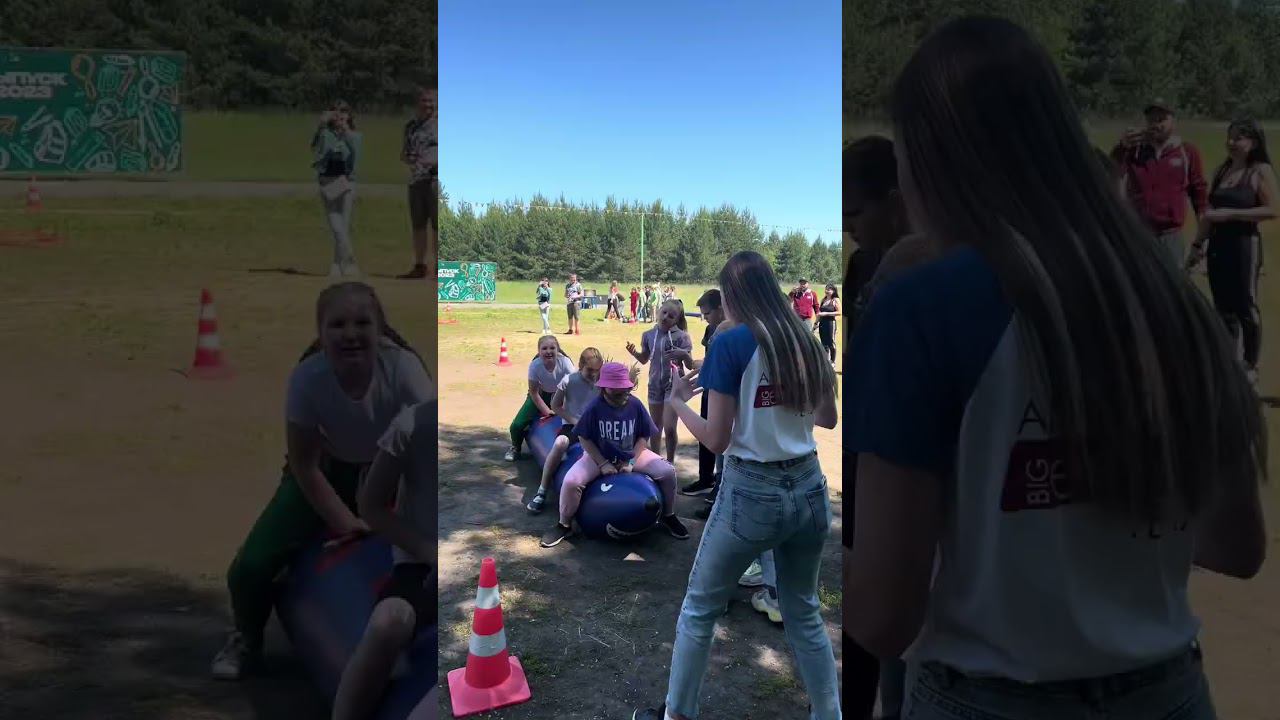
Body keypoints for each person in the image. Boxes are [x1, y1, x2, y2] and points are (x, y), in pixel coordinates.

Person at [846, 16, 1266, 720]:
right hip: (1170, 693)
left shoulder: (919, 307)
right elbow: (1236, 544)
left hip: (988, 697)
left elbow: (883, 616)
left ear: (930, 159)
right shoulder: (1169, 299)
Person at [632, 251, 840, 720]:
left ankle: (678, 713)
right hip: (809, 485)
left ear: (731, 296)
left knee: (700, 608)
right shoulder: (804, 338)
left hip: (752, 490)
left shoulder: (731, 343)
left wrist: (677, 402)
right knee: (805, 612)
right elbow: (827, 418)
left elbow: (717, 440)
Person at [211, 282, 434, 680]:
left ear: (380, 328)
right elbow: (304, 464)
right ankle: (246, 636)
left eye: (362, 323)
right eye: (338, 325)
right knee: (250, 567)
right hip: (328, 471)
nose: (350, 334)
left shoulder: (404, 370)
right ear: (321, 331)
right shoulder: (308, 378)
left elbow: (427, 451)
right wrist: (346, 522)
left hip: (392, 471)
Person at [841, 133, 935, 720]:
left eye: (856, 212)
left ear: (896, 201)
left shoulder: (937, 267)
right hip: (863, 450)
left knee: (898, 614)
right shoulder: (862, 264)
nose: (849, 227)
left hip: (906, 456)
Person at [331, 400, 437, 720]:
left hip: (469, 564)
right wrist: (428, 551)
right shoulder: (411, 426)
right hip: (419, 564)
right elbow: (371, 506)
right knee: (388, 623)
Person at [541, 361, 688, 548]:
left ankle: (669, 515)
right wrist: (602, 463)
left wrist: (631, 461)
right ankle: (564, 524)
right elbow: (584, 438)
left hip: (629, 454)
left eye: (626, 390)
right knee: (571, 482)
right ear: (604, 389)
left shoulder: (634, 404)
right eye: (618, 392)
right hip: (600, 455)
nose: (624, 395)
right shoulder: (595, 407)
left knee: (667, 471)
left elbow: (644, 435)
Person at [1187, 119, 1277, 388]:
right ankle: (1229, 365)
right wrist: (1197, 245)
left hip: (1244, 244)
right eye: (1229, 137)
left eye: (1238, 138)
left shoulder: (1259, 171)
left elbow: (1273, 209)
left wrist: (1230, 214)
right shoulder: (1222, 171)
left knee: (1245, 305)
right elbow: (1209, 214)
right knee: (1223, 307)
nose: (1231, 143)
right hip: (1217, 246)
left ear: (1253, 142)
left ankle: (1250, 365)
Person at [1111, 98, 1208, 271]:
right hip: (1138, 233)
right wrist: (1122, 146)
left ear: (1173, 121)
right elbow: (1112, 170)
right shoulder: (1135, 150)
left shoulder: (1186, 152)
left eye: (1161, 119)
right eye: (1151, 120)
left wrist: (1201, 242)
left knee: (1172, 283)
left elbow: (1200, 198)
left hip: (1171, 236)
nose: (1156, 124)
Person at [526, 347, 604, 514]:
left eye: (597, 370)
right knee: (560, 443)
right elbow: (555, 406)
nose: (594, 375)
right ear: (580, 365)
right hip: (572, 425)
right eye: (590, 370)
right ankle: (542, 491)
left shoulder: (602, 381)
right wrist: (574, 421)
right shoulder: (568, 381)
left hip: (595, 426)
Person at [626, 299, 694, 464]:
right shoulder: (648, 335)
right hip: (655, 384)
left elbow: (690, 364)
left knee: (670, 428)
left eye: (671, 316)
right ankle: (655, 462)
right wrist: (635, 353)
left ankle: (670, 464)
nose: (665, 318)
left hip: (674, 385)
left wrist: (683, 354)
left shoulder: (682, 337)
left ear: (677, 320)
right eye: (664, 313)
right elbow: (644, 359)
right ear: (658, 311)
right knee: (655, 427)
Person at [312, 100, 364, 278]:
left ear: (349, 116)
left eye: (343, 111)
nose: (339, 114)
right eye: (335, 111)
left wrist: (345, 131)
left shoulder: (354, 135)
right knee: (337, 227)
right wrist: (320, 125)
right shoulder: (326, 134)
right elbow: (316, 147)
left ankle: (339, 264)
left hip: (346, 181)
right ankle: (347, 262)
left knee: (344, 225)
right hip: (328, 180)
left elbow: (356, 154)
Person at [504, 335, 576, 462]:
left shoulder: (565, 363)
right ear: (539, 351)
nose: (548, 351)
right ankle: (515, 447)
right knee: (517, 425)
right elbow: (533, 392)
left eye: (552, 348)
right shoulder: (535, 365)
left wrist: (564, 407)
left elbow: (573, 388)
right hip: (540, 394)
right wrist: (546, 410)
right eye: (544, 348)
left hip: (561, 395)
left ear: (558, 349)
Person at [397, 86, 438, 280]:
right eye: (424, 101)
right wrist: (409, 158)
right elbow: (405, 152)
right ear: (417, 103)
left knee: (438, 226)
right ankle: (420, 265)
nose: (428, 105)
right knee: (418, 225)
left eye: (431, 101)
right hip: (416, 179)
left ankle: (440, 267)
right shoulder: (411, 127)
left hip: (436, 180)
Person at [816, 284, 840, 366]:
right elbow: (819, 313)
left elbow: (839, 312)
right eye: (826, 289)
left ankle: (833, 361)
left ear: (833, 291)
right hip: (822, 323)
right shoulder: (823, 300)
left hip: (830, 323)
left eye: (829, 289)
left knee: (831, 342)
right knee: (823, 343)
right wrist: (816, 323)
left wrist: (826, 313)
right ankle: (825, 361)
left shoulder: (835, 300)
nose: (827, 291)